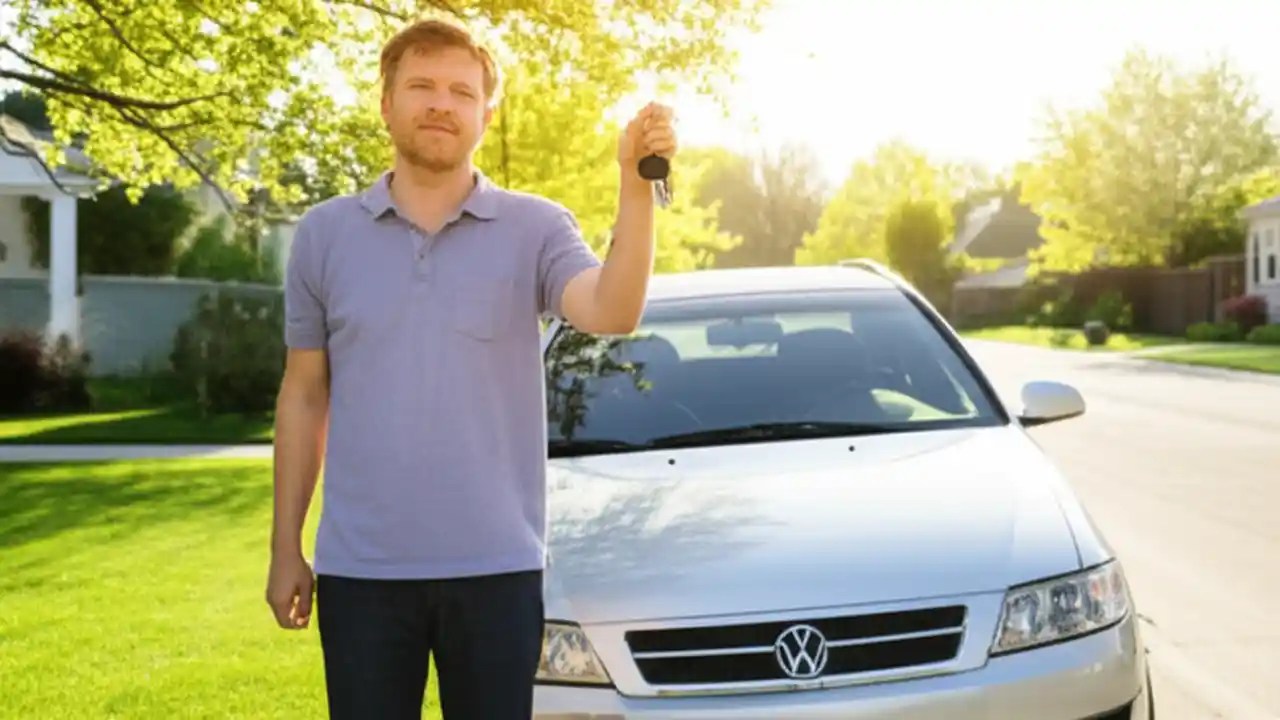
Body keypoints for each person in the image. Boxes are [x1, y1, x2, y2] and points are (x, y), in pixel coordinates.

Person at [263, 16, 677, 720]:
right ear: (385, 101)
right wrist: (285, 550)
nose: (440, 104)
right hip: (362, 573)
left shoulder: (537, 228)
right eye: (420, 85)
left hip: (497, 571)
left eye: (461, 91)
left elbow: (612, 310)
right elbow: (304, 396)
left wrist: (634, 186)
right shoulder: (324, 235)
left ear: (487, 112)